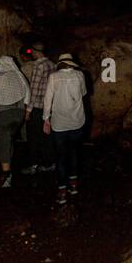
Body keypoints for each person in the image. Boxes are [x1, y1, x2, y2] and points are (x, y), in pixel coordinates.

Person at [43, 52, 87, 205]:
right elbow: (84, 93)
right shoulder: (80, 75)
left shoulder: (54, 77)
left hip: (59, 123)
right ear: (72, 63)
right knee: (74, 151)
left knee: (61, 156)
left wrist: (45, 119)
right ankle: (73, 185)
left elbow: (48, 99)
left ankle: (62, 191)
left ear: (60, 64)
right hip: (77, 121)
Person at [0, 56, 30, 189]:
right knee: (9, 139)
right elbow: (27, 92)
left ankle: (6, 176)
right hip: (19, 114)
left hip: (4, 115)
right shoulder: (18, 76)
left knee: (4, 143)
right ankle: (9, 162)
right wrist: (27, 110)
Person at [21, 43, 55, 175]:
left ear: (36, 52)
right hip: (49, 106)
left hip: (37, 107)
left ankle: (33, 165)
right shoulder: (53, 65)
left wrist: (28, 110)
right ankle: (48, 163)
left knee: (33, 137)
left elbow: (34, 90)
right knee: (47, 136)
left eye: (32, 52)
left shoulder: (38, 66)